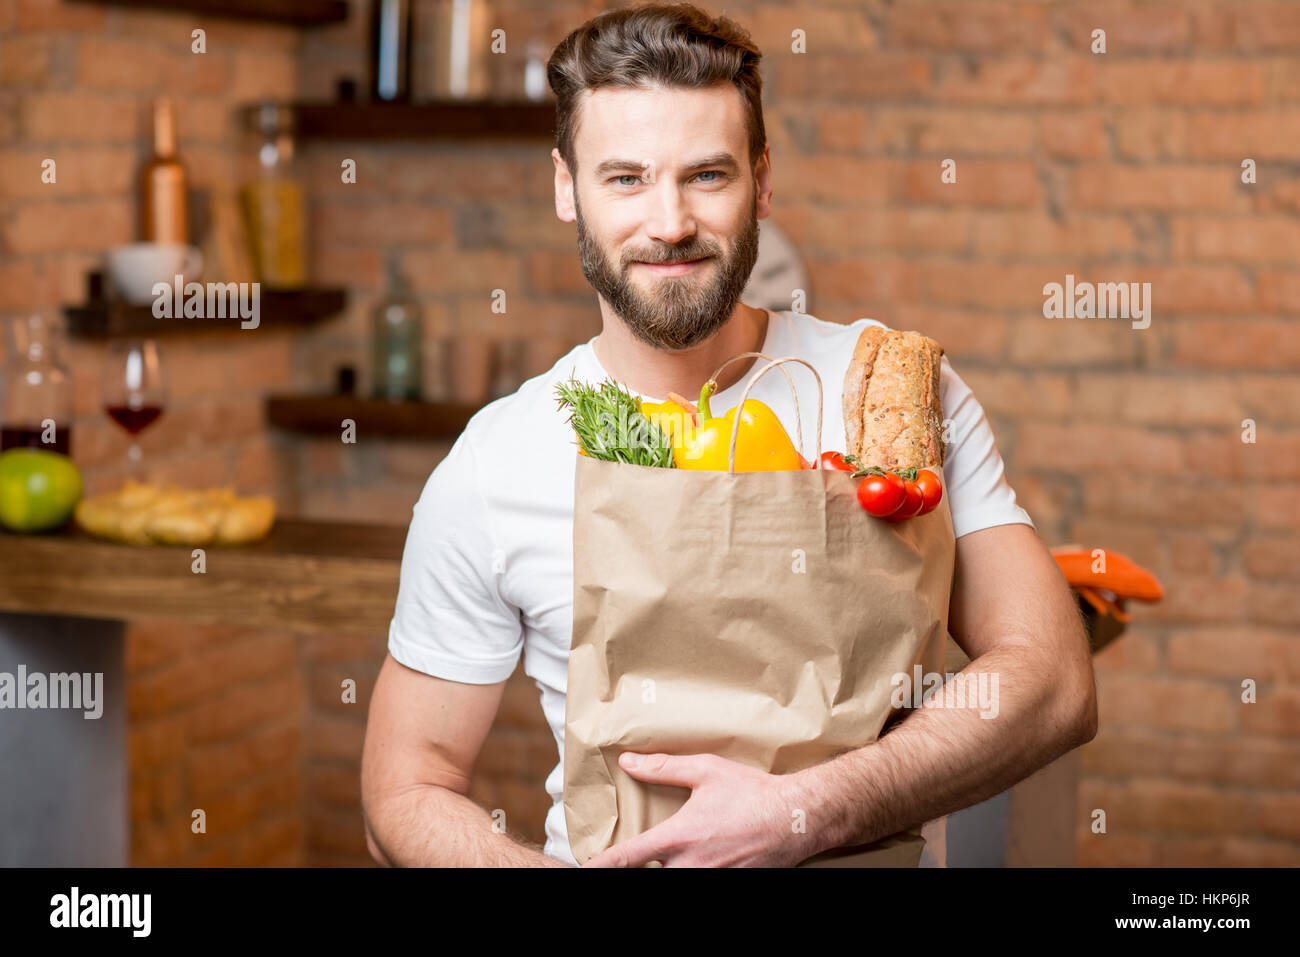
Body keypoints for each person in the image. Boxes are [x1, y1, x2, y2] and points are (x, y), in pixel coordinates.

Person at [361, 3, 1097, 868]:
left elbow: (1054, 680)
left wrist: (808, 810)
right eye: (625, 178)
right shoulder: (499, 458)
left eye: (707, 175)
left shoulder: (891, 392)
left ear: (763, 178)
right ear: (566, 187)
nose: (668, 222)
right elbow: (405, 788)